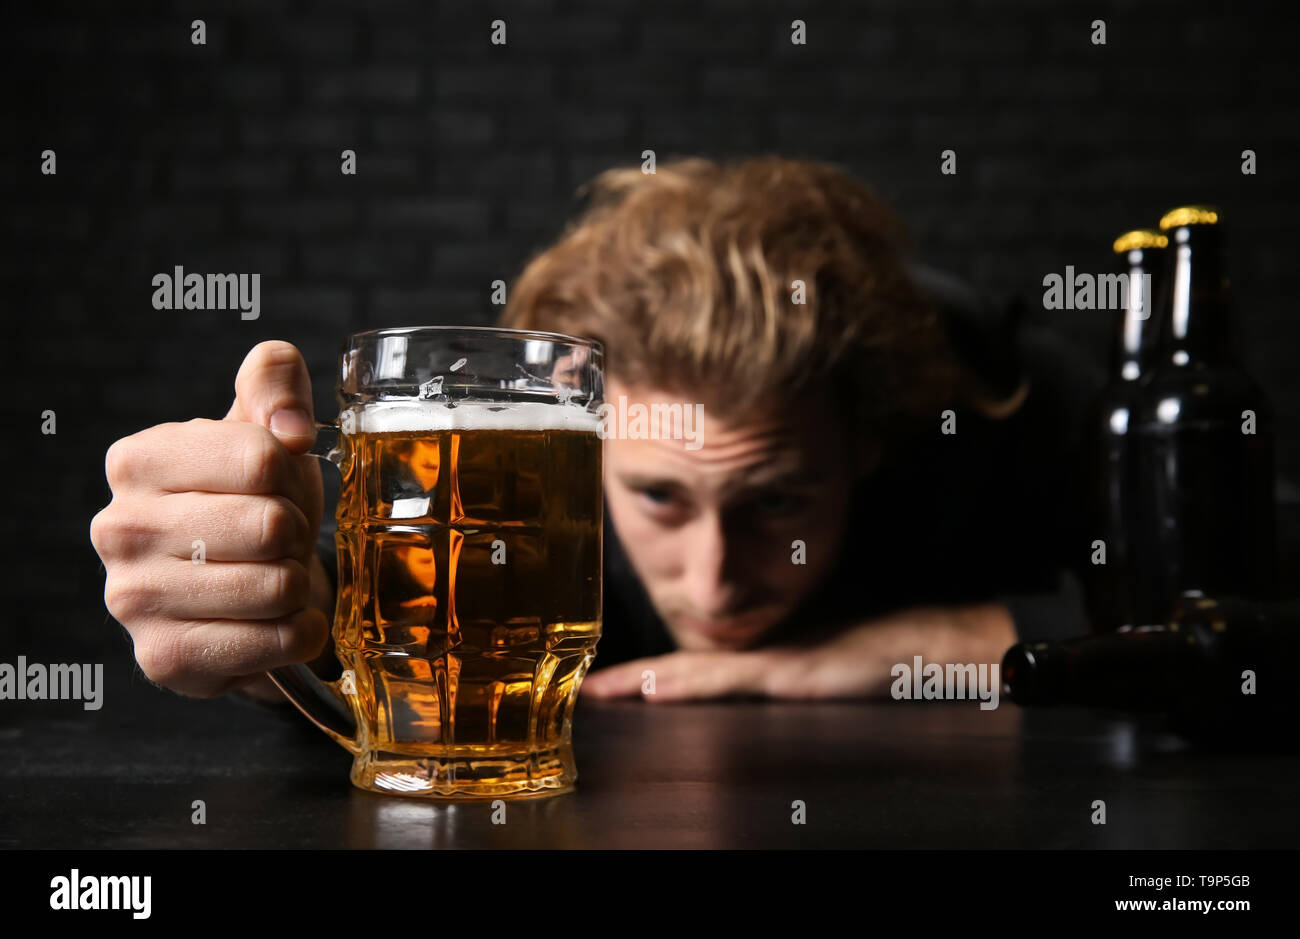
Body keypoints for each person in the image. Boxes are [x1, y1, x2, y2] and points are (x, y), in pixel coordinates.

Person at [90, 155, 1093, 705]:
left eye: (775, 500)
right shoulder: (533, 477)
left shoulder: (988, 396)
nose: (712, 582)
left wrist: (880, 654)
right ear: (581, 453)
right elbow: (365, 595)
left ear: (867, 448)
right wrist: (262, 606)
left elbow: (1212, 603)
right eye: (657, 496)